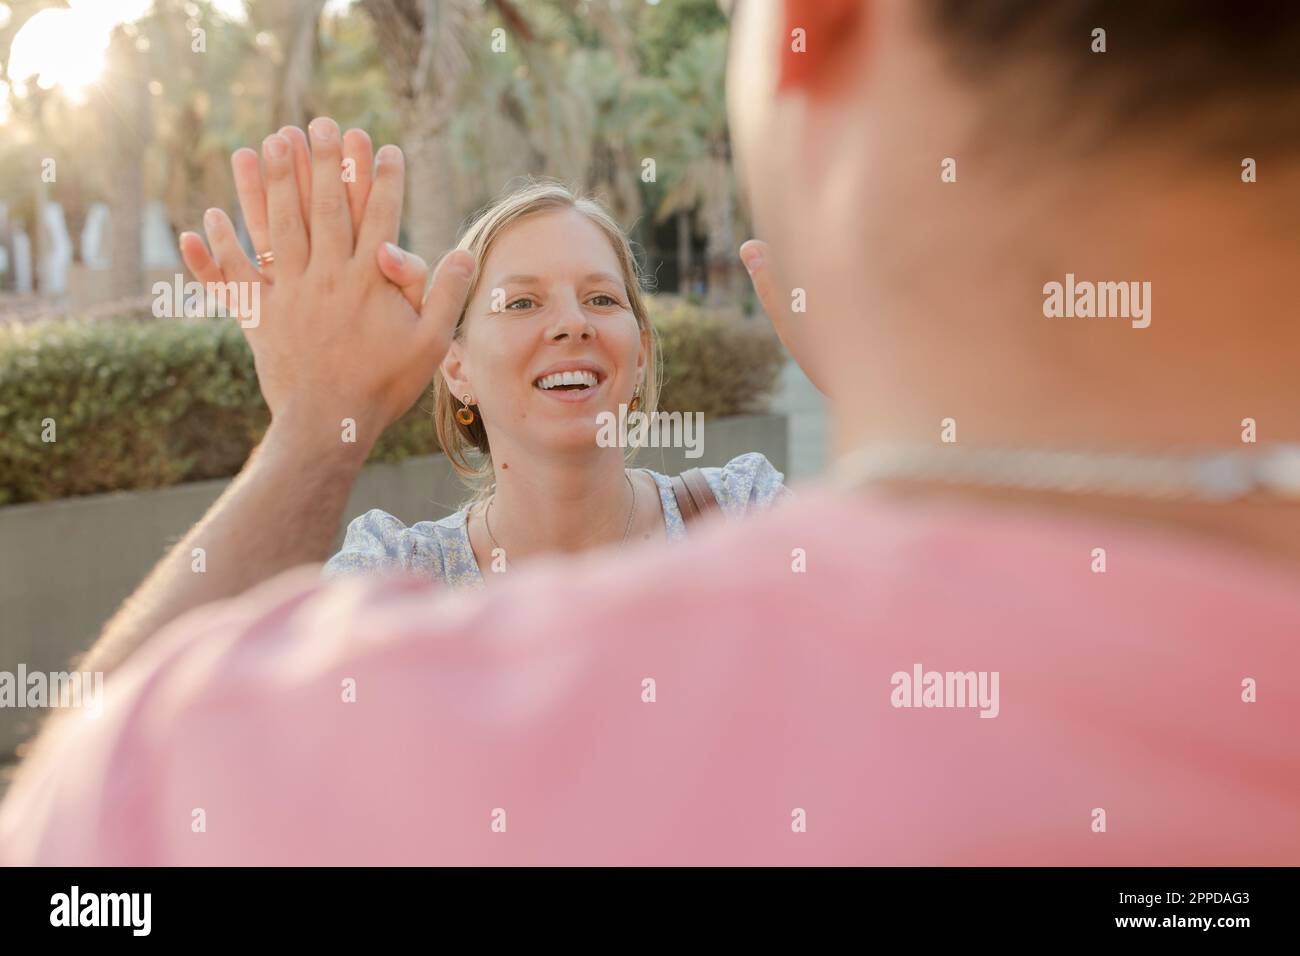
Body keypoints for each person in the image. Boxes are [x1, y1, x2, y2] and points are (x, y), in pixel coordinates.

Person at [2, 0, 1298, 864]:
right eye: (519, 303)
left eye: (601, 299)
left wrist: (310, 436)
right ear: (453, 367)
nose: (568, 327)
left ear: (813, 26)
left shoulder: (745, 514)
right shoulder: (388, 576)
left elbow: (75, 850)